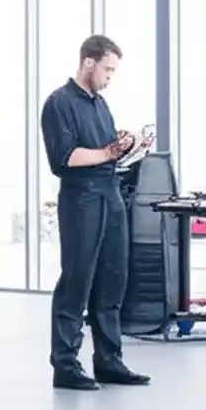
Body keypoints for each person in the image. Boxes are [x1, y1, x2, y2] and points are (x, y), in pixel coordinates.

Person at [39, 34, 151, 391]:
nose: (109, 77)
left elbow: (106, 151)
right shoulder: (59, 103)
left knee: (112, 279)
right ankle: (66, 366)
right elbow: (65, 158)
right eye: (107, 69)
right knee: (78, 279)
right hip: (81, 199)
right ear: (88, 61)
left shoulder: (100, 104)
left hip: (110, 195)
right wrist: (108, 151)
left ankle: (108, 360)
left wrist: (124, 145)